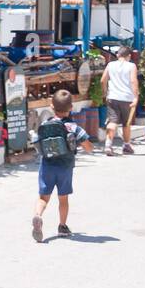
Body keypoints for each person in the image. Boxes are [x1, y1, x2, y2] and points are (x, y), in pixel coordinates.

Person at [31, 89, 95, 242]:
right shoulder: (73, 127)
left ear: (52, 106)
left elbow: (38, 144)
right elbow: (88, 147)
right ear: (71, 108)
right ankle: (62, 226)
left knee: (43, 198)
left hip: (47, 165)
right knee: (63, 199)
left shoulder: (45, 125)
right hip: (65, 167)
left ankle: (38, 215)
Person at [100, 46, 138, 156]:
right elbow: (133, 81)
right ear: (129, 56)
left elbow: (103, 80)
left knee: (112, 121)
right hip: (127, 98)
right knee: (126, 123)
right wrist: (136, 97)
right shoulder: (131, 66)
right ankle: (126, 145)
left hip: (112, 97)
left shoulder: (110, 65)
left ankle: (108, 145)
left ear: (117, 55)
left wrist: (105, 92)